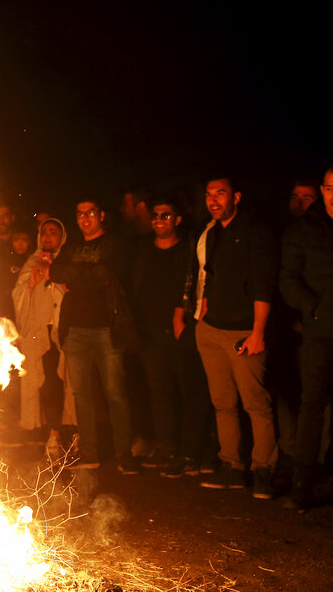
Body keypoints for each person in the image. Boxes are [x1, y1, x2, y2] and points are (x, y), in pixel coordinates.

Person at [279, 166, 333, 510]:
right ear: (322, 189)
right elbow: (288, 279)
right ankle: (303, 481)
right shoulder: (304, 229)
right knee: (312, 402)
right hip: (320, 330)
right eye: (330, 189)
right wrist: (312, 308)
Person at [194, 177, 278, 498]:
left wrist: (258, 332)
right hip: (212, 329)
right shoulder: (213, 232)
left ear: (236, 197)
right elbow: (209, 276)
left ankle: (264, 468)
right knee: (223, 403)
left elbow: (263, 283)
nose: (213, 200)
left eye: (221, 194)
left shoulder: (257, 231)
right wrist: (203, 314)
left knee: (256, 404)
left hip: (244, 331)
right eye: (209, 194)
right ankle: (232, 464)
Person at [49, 197, 138, 474]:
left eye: (90, 213)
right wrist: (87, 274)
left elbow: (108, 272)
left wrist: (76, 277)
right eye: (80, 214)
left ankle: (124, 454)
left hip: (106, 328)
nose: (85, 218)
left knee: (115, 393)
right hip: (75, 329)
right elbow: (55, 271)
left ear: (101, 215)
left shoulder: (114, 243)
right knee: (82, 395)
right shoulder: (73, 245)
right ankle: (89, 452)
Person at [129, 196, 192, 468]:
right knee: (159, 392)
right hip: (150, 332)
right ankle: (167, 446)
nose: (158, 220)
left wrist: (183, 318)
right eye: (155, 215)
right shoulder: (143, 252)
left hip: (180, 330)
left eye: (165, 215)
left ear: (177, 219)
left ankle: (192, 449)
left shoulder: (186, 252)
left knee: (187, 390)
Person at [12, 217, 75, 458]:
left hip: (65, 329)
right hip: (40, 332)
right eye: (45, 232)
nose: (48, 236)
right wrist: (32, 283)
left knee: (69, 381)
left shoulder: (69, 261)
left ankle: (75, 431)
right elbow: (18, 294)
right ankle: (53, 432)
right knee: (47, 383)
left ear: (62, 237)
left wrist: (55, 277)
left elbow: (74, 289)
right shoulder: (32, 262)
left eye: (53, 232)